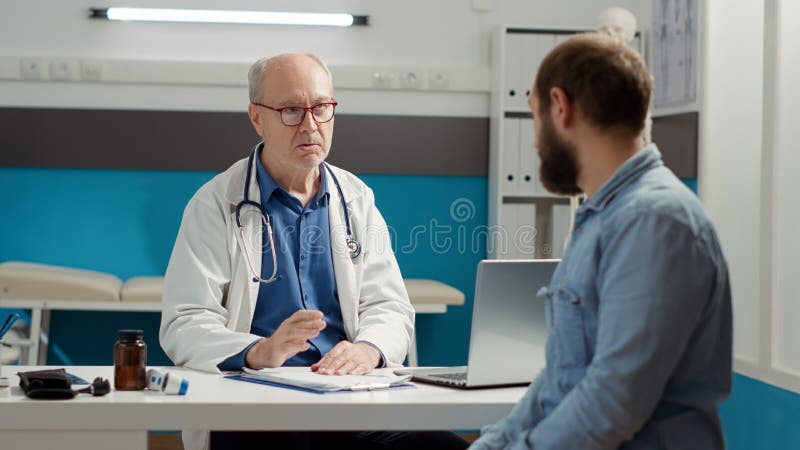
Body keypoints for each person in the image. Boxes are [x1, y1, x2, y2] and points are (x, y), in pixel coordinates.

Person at [160, 53, 467, 450]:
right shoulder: (218, 203)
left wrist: (367, 349)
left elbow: (390, 306)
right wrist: (258, 350)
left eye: (321, 108)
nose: (310, 125)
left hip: (348, 400)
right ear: (257, 118)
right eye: (291, 110)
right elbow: (185, 320)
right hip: (254, 403)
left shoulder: (356, 198)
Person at [471, 33, 732, 449]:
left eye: (535, 119)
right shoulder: (600, 217)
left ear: (560, 106)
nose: (536, 141)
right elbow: (560, 379)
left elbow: (612, 403)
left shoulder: (653, 220)